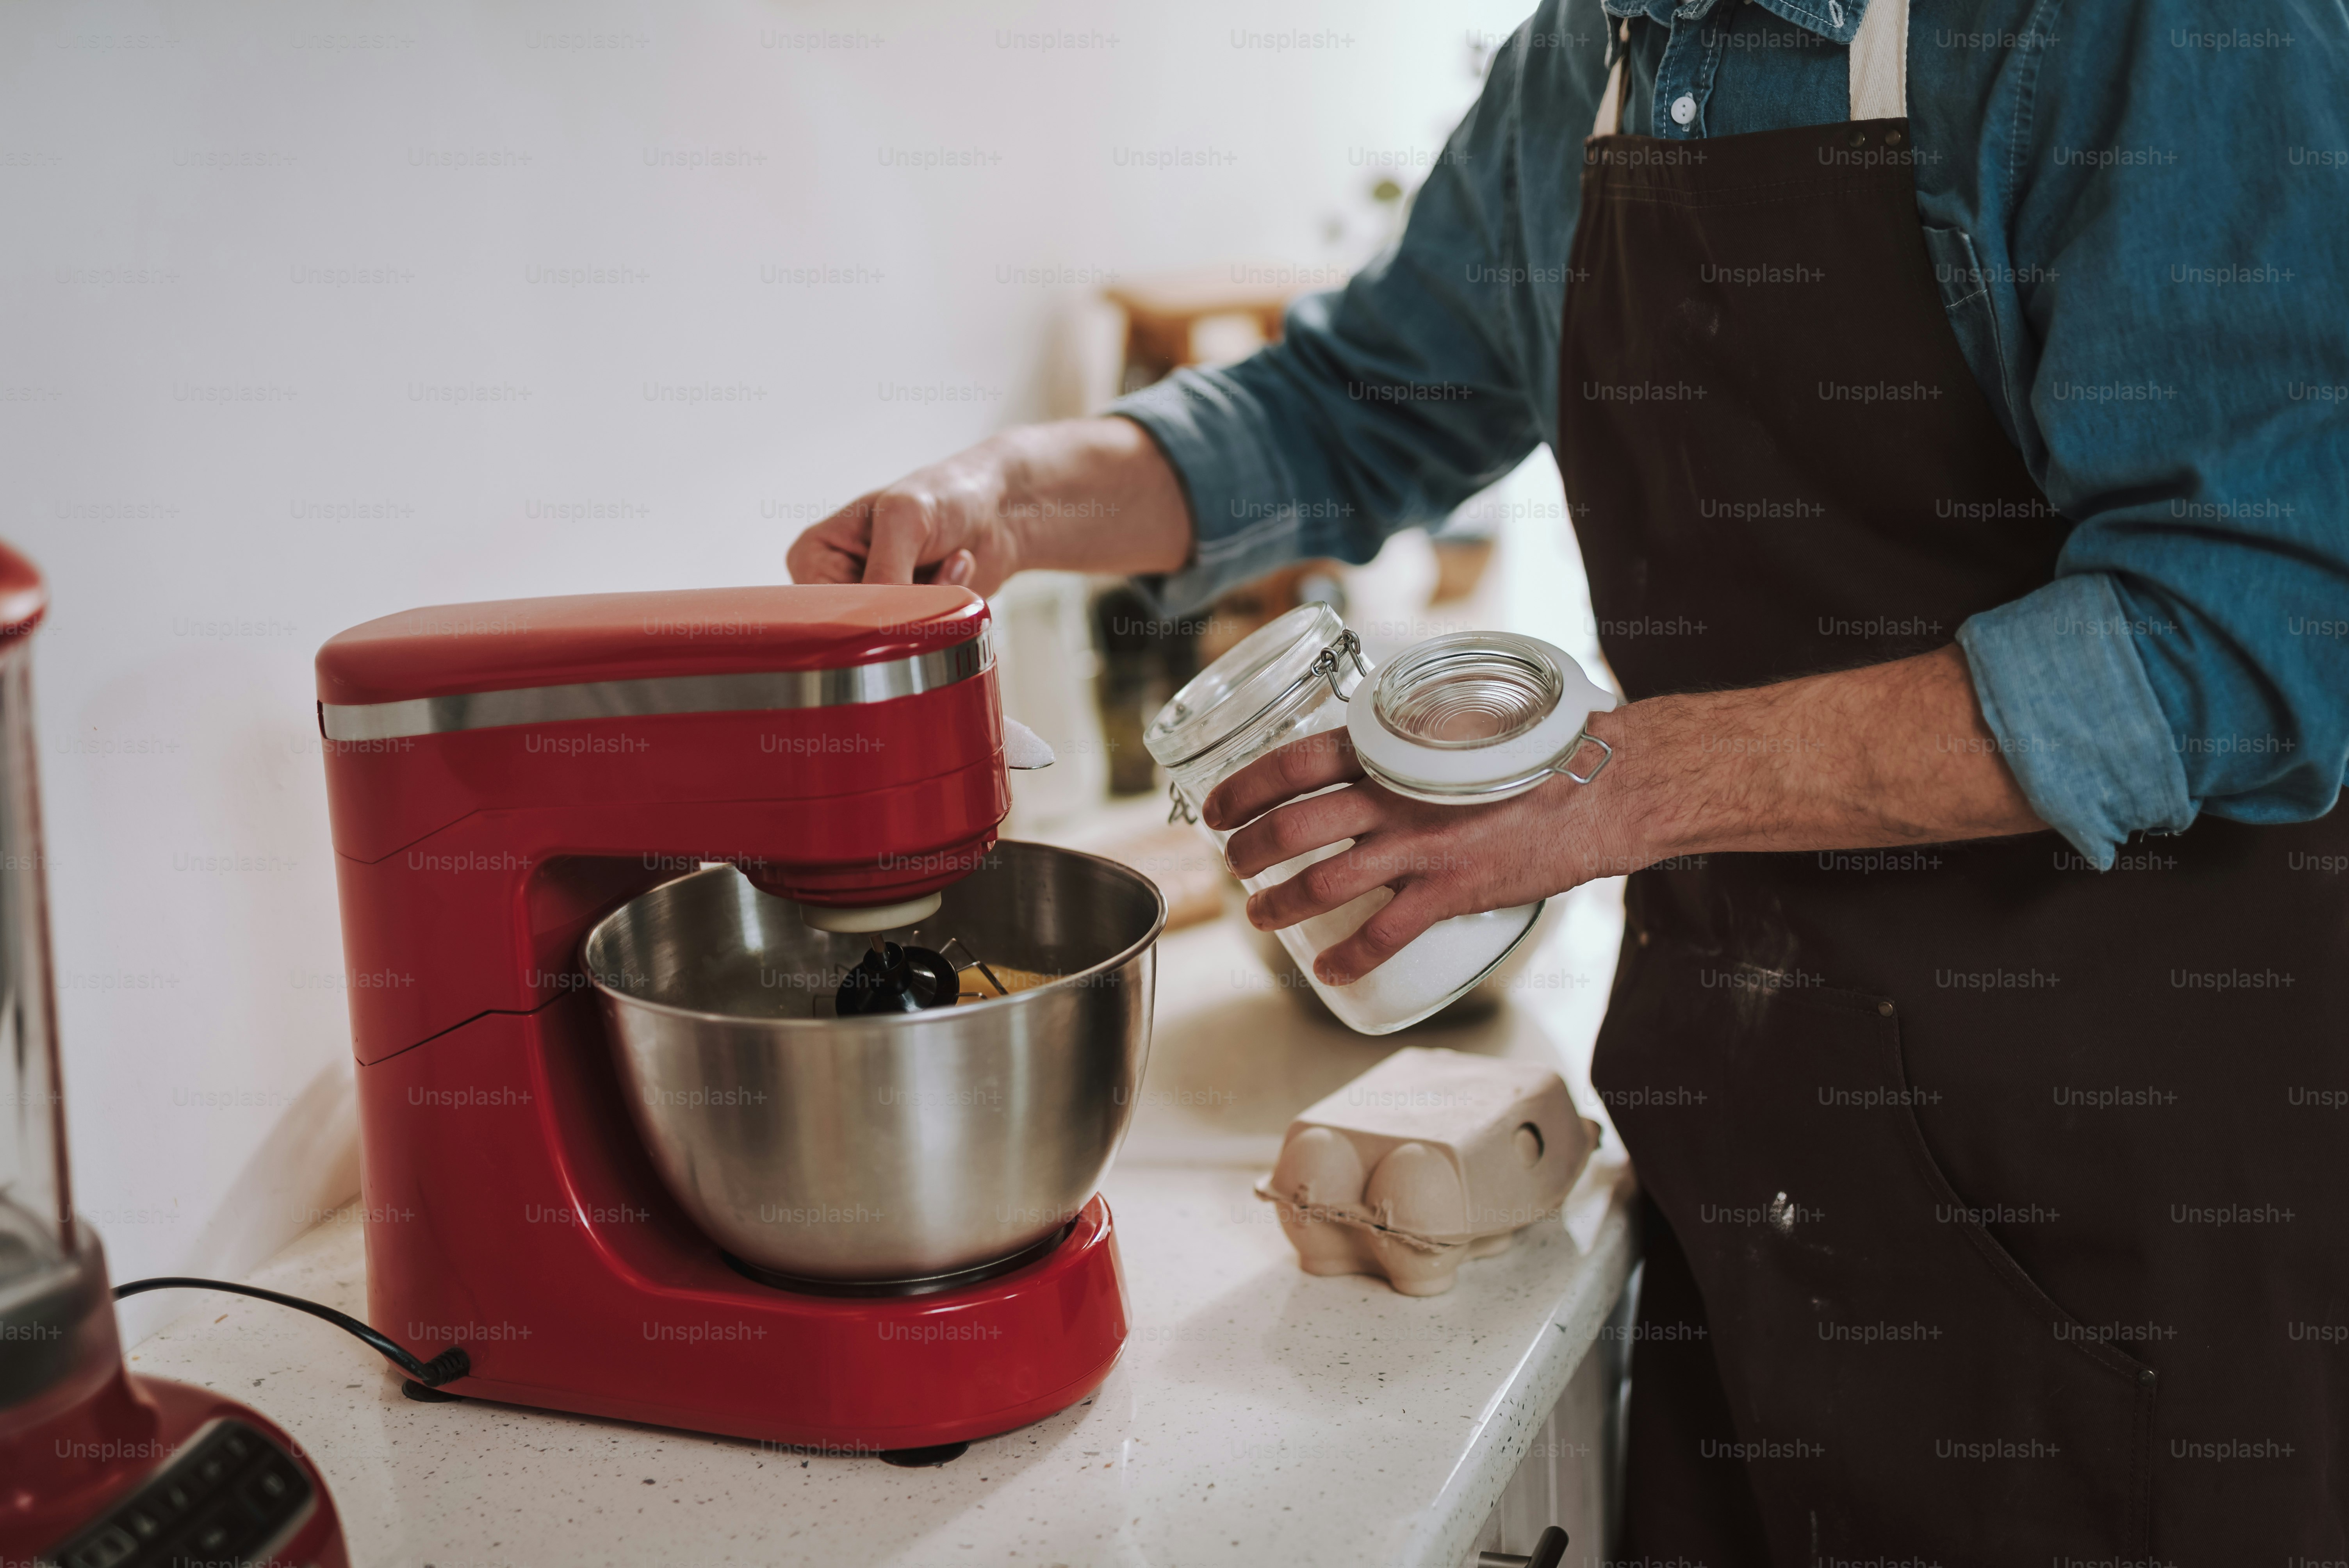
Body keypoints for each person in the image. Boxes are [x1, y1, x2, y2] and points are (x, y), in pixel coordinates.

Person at [789, 0, 2349, 1555]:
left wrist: (1607, 786)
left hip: (2126, 1191)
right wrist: (1009, 494)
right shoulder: (1583, 60)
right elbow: (1353, 400)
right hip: (1754, 1149)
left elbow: (2246, 630)